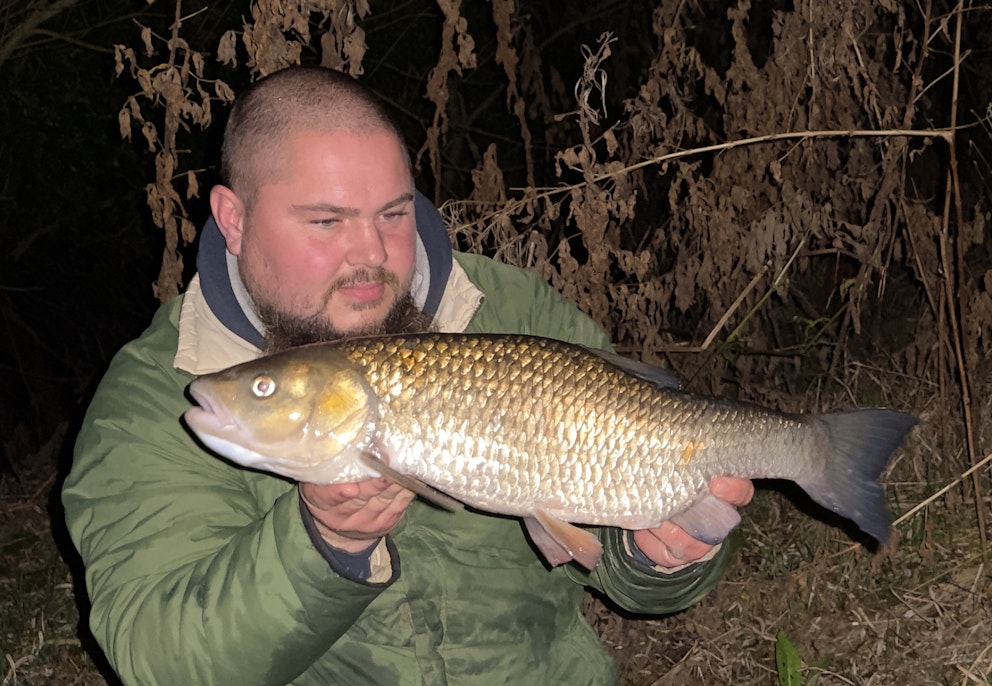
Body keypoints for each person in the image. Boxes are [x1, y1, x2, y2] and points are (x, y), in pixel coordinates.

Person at [63, 66, 753, 685]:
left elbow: (626, 569)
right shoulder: (160, 395)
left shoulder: (506, 309)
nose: (371, 253)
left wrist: (661, 557)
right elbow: (164, 658)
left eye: (393, 215)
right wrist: (323, 546)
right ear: (233, 221)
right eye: (327, 220)